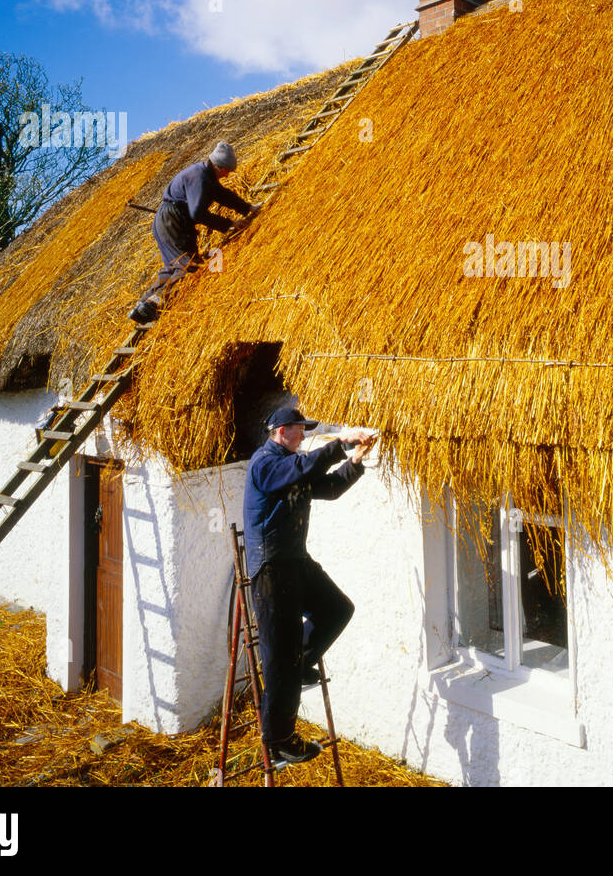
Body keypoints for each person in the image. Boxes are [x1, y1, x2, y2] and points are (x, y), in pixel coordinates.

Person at [244, 405, 375, 766]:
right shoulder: (266, 463)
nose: (303, 436)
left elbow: (330, 488)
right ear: (282, 431)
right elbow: (301, 468)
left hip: (296, 562)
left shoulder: (291, 464)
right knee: (279, 659)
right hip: (271, 569)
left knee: (337, 609)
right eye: (300, 430)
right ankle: (278, 740)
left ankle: (303, 660)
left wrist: (357, 461)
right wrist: (340, 442)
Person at [128, 141, 260, 322]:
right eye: (226, 170)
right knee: (189, 265)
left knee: (173, 267)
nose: (228, 174)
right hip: (173, 221)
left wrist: (248, 208)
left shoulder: (206, 175)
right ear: (218, 166)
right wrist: (228, 224)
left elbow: (223, 195)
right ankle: (151, 304)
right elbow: (197, 213)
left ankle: (143, 306)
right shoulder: (200, 178)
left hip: (165, 220)